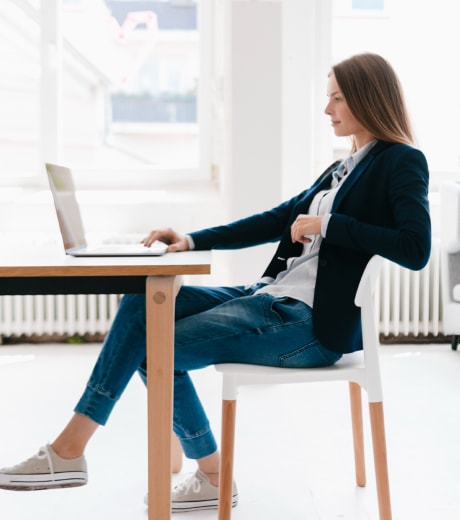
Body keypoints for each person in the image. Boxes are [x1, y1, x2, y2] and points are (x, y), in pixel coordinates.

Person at [0, 53, 431, 512]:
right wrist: (188, 240)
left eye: (337, 98)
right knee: (142, 303)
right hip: (269, 298)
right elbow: (274, 220)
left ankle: (108, 457)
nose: (328, 110)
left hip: (306, 325)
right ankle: (81, 453)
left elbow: (415, 248)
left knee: (154, 345)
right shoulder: (341, 168)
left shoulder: (401, 161)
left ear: (368, 97)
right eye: (328, 99)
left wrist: (328, 226)